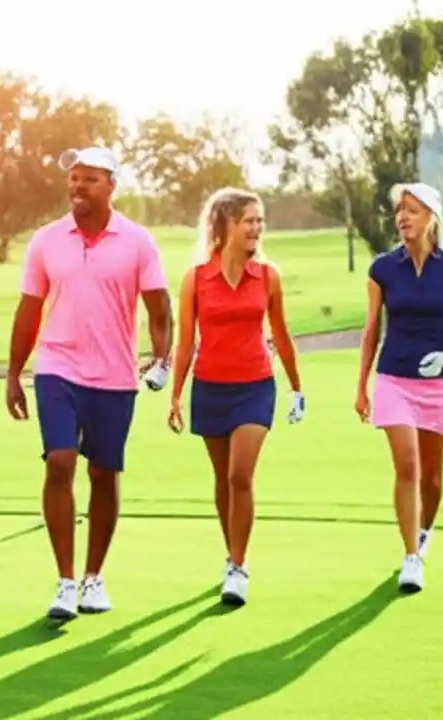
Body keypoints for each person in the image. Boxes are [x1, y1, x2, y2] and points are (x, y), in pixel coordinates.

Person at [5, 146, 172, 621]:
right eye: (74, 178)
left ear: (112, 185)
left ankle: (93, 577)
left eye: (90, 179)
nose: (78, 186)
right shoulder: (46, 241)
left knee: (103, 473)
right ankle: (63, 581)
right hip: (57, 368)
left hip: (115, 375)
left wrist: (162, 356)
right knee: (59, 462)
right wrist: (15, 374)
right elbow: (28, 311)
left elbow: (159, 308)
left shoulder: (138, 242)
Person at [167, 188, 305, 607]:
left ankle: (239, 566)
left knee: (239, 475)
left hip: (255, 386)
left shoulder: (268, 276)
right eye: (250, 221)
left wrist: (297, 387)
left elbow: (280, 334)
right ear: (226, 225)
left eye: (260, 221)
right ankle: (232, 556)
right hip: (209, 387)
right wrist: (174, 396)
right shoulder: (196, 278)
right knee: (223, 480)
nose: (257, 229)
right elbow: (185, 342)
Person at [354, 182, 443, 594]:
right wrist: (361, 386)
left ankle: (423, 532)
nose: (403, 218)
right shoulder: (383, 269)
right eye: (400, 211)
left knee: (433, 477)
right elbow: (371, 330)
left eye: (412, 210)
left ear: (431, 217)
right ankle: (411, 557)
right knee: (407, 467)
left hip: (438, 383)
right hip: (393, 379)